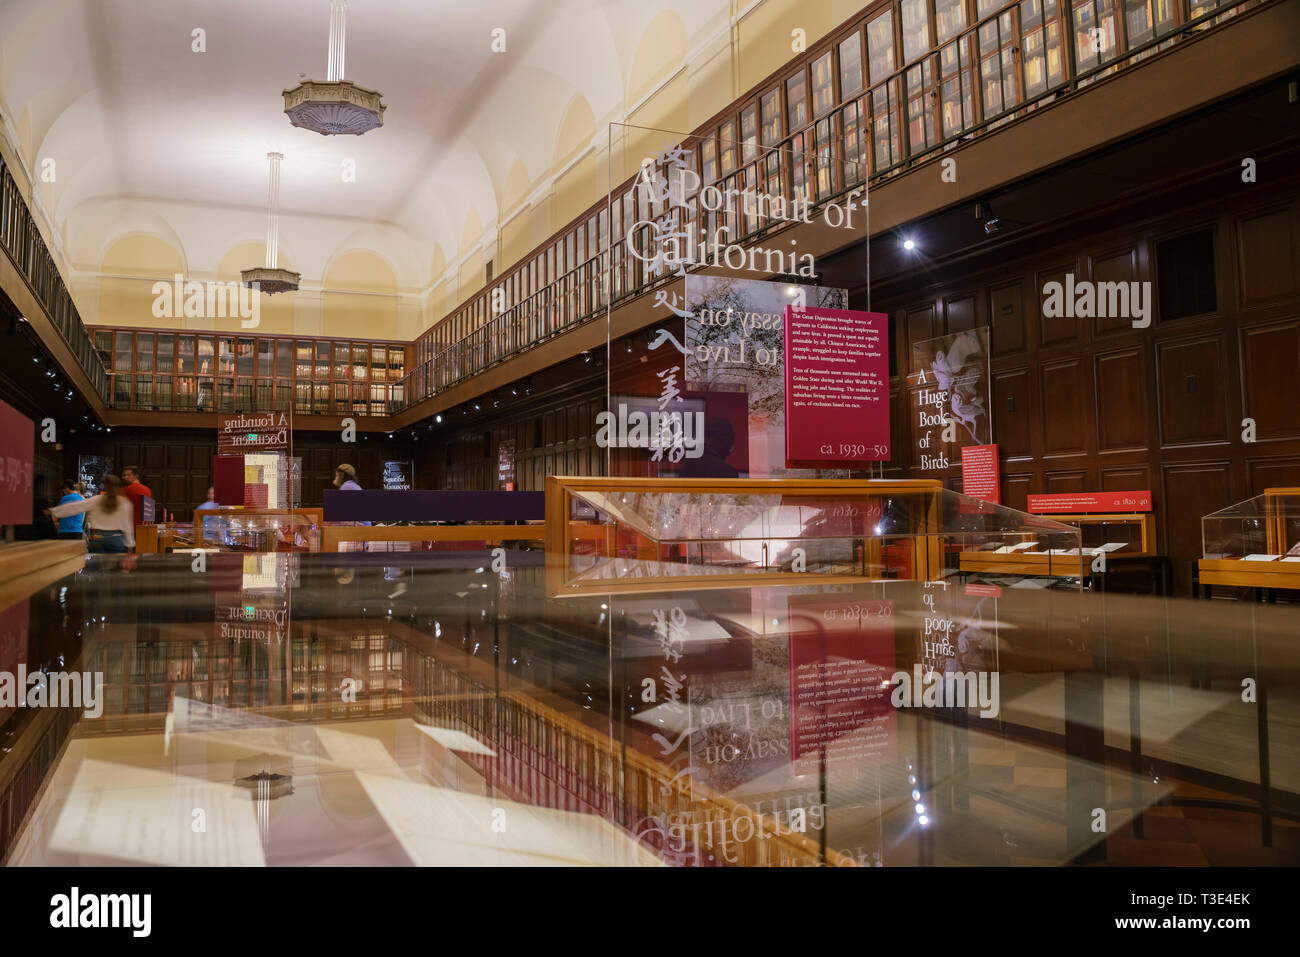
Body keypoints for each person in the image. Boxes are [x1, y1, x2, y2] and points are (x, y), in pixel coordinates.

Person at [48, 474, 136, 553]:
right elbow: (127, 525)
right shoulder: (125, 503)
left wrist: (53, 511)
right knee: (116, 569)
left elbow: (75, 507)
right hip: (117, 539)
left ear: (104, 486)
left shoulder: (97, 499)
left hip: (98, 538)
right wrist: (130, 544)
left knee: (97, 569)